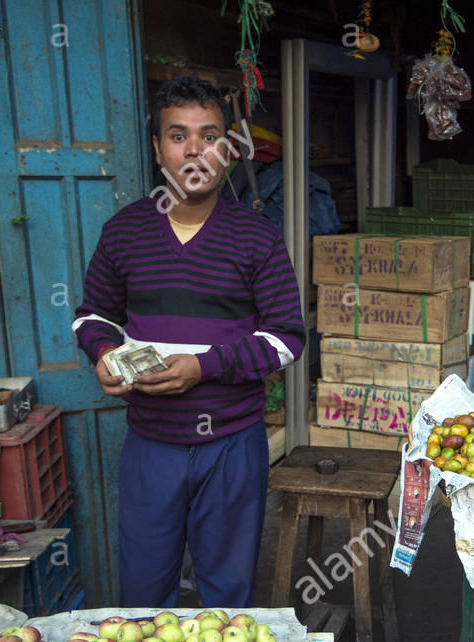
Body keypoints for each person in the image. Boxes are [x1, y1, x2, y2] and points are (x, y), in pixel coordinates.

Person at [72, 76, 305, 608]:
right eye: (178, 136)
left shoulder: (257, 237)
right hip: (150, 445)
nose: (194, 150)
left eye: (210, 136)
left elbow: (287, 337)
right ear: (157, 148)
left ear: (228, 149)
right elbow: (92, 316)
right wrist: (104, 353)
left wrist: (206, 367)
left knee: (227, 597)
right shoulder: (125, 232)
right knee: (144, 596)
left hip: (232, 445)